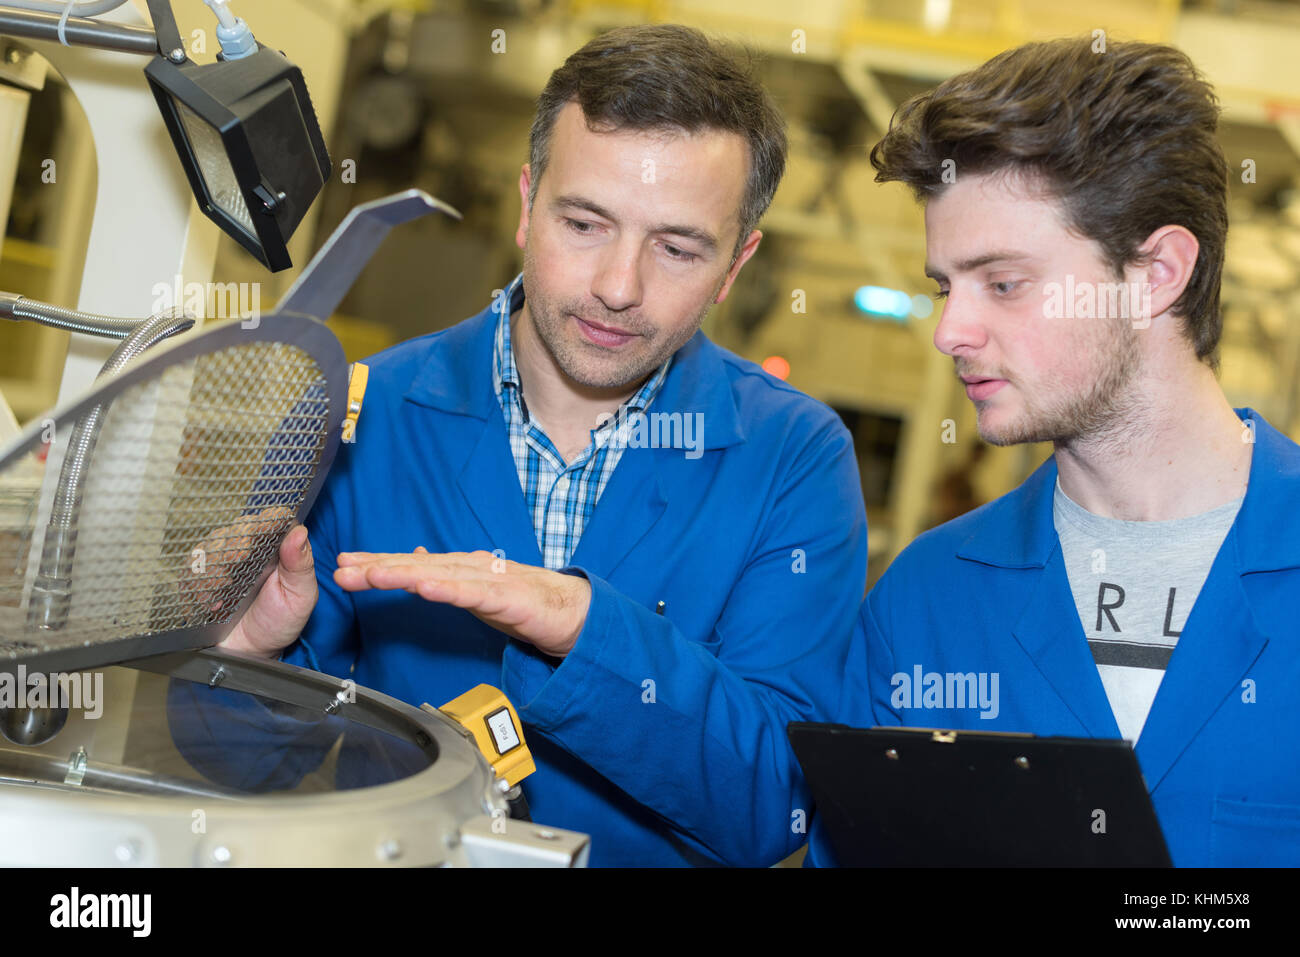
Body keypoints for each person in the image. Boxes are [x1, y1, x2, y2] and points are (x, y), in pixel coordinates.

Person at [178, 24, 868, 867]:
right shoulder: (362, 410)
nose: (619, 287)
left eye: (678, 247)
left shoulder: (794, 457)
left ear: (736, 265)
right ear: (527, 202)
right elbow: (239, 774)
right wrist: (248, 654)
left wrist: (586, 631)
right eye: (584, 223)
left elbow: (776, 807)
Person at [808, 36, 1298, 866]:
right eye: (944, 287)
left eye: (1002, 283)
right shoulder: (925, 603)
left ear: (1156, 273)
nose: (950, 332)